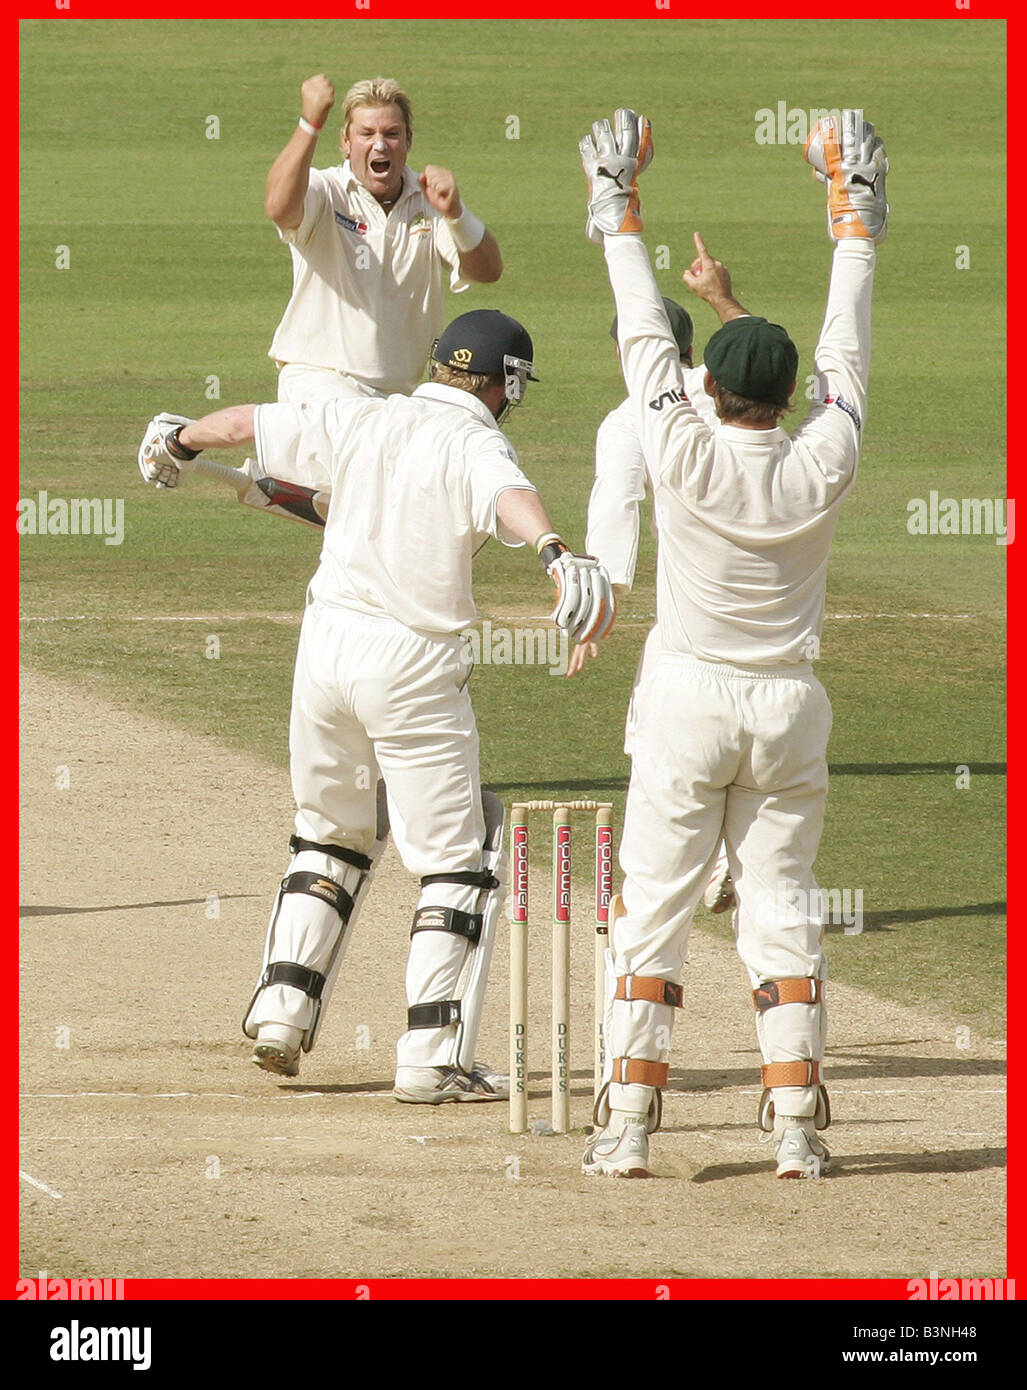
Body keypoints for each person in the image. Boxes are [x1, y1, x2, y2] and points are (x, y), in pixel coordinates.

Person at [138, 309, 615, 1102]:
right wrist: (554, 553)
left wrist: (178, 440)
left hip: (325, 649)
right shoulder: (477, 442)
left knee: (331, 836)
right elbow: (511, 498)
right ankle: (430, 1057)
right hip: (412, 664)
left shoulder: (363, 414)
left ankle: (280, 1015)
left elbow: (240, 423)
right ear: (510, 384)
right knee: (460, 856)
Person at [576, 108, 887, 1176]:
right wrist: (854, 227)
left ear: (713, 390)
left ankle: (625, 1128)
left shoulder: (680, 445)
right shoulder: (824, 457)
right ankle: (796, 1126)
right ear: (787, 395)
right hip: (790, 705)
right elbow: (843, 350)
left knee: (652, 908)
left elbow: (639, 335)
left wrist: (618, 210)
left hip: (690, 698)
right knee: (781, 909)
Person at [572, 301, 735, 915]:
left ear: (624, 351)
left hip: (689, 618)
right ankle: (739, 865)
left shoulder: (628, 419)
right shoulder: (735, 392)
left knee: (653, 734)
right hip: (777, 615)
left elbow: (617, 500)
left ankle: (653, 886)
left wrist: (598, 604)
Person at [265, 73, 503, 404]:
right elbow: (279, 207)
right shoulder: (326, 190)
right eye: (366, 133)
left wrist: (456, 214)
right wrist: (309, 124)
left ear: (408, 141)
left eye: (391, 134)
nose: (380, 145)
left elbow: (488, 270)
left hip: (396, 397)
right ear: (346, 143)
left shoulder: (428, 201)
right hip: (318, 380)